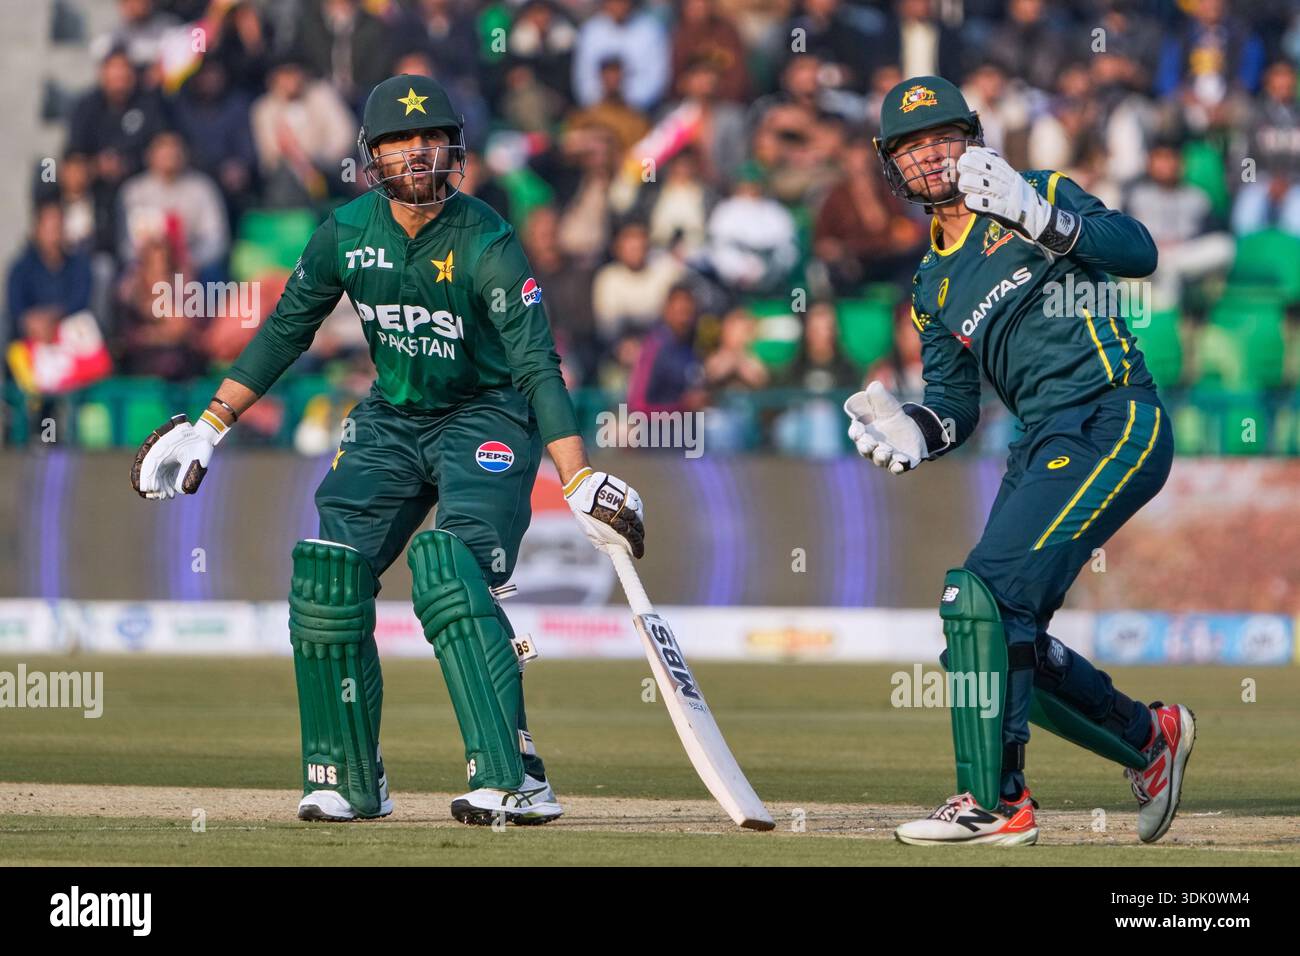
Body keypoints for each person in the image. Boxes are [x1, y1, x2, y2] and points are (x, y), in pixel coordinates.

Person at [129, 74, 646, 827]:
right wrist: (209, 425)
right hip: (393, 417)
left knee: (452, 569)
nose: (417, 152)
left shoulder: (487, 240)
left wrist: (578, 476)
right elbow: (284, 330)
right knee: (327, 579)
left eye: (430, 137)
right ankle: (347, 775)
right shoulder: (346, 232)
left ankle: (515, 773)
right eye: (400, 140)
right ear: (372, 154)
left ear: (453, 149)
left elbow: (538, 364)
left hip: (488, 415)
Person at [850, 76, 1194, 846]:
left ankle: (996, 805)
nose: (932, 157)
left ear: (973, 138)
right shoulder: (931, 284)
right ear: (891, 168)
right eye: (912, 148)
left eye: (943, 137)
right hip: (1038, 442)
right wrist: (916, 430)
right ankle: (1148, 739)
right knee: (989, 631)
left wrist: (1043, 218)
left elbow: (1138, 251)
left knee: (984, 595)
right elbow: (954, 406)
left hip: (1114, 413)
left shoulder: (1032, 190)